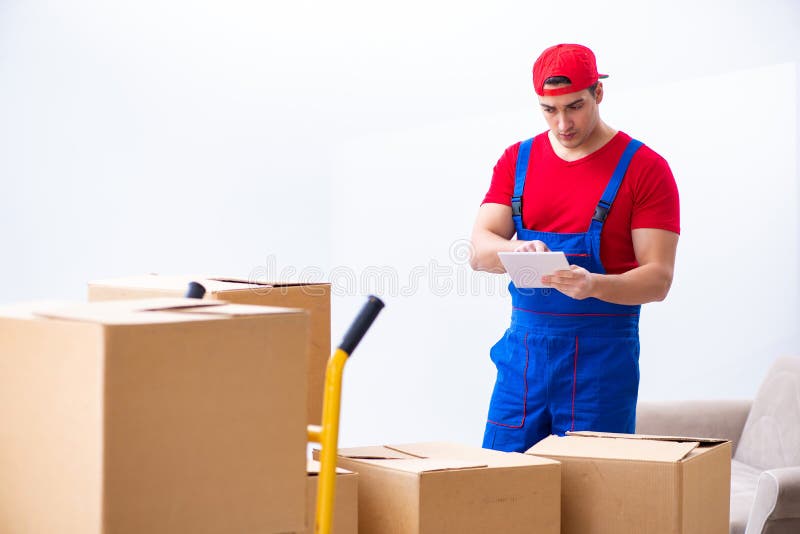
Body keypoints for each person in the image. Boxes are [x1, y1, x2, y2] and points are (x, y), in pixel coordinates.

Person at [470, 43, 680, 453]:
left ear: (598, 94)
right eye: (550, 109)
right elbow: (479, 250)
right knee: (499, 489)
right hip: (523, 362)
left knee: (594, 496)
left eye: (575, 106)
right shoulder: (518, 160)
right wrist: (516, 253)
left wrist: (594, 284)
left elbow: (658, 279)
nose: (563, 122)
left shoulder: (644, 169)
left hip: (600, 364)